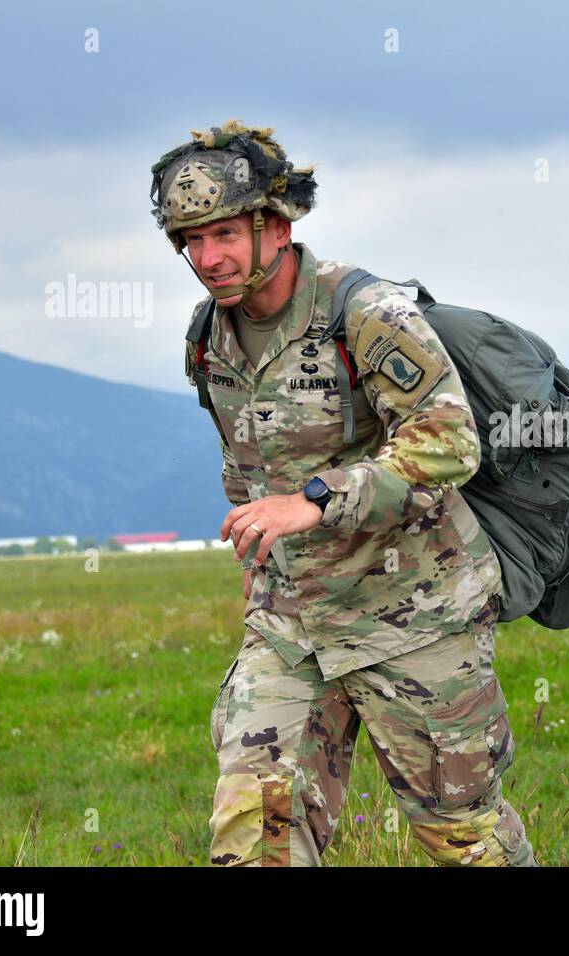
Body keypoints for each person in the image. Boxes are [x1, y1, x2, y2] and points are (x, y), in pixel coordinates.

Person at [150, 120, 535, 866]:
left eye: (224, 233)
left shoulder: (364, 312)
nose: (207, 258)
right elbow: (244, 460)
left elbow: (449, 441)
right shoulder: (210, 337)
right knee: (255, 830)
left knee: (462, 839)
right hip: (292, 624)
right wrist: (261, 558)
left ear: (276, 223)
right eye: (190, 242)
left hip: (414, 615)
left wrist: (318, 499)